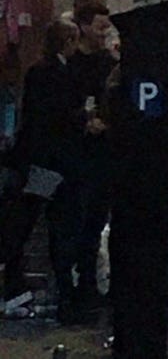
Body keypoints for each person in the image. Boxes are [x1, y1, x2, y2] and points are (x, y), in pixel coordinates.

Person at [3, 19, 85, 321]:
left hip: (45, 161)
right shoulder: (51, 73)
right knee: (30, 220)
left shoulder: (43, 71)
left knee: (30, 220)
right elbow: (52, 117)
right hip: (48, 162)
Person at [66, 2, 116, 312]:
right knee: (77, 219)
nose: (104, 33)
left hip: (102, 155)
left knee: (96, 219)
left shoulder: (107, 63)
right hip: (78, 155)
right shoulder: (71, 65)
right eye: (100, 27)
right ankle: (76, 283)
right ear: (83, 27)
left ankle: (87, 280)